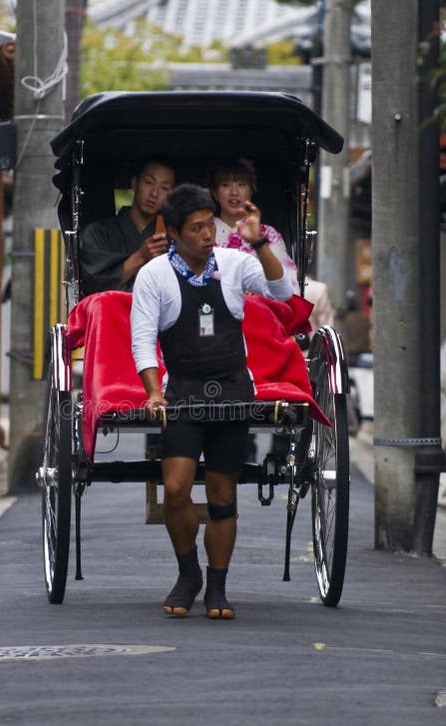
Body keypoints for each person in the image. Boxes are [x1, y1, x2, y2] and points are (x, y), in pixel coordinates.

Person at [131, 184, 293, 620]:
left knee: (222, 494)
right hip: (183, 392)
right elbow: (143, 340)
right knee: (176, 489)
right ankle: (189, 573)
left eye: (209, 226)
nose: (208, 235)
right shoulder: (154, 275)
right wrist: (153, 391)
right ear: (174, 232)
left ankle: (217, 585)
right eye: (196, 229)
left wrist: (259, 243)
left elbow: (282, 291)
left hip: (232, 391)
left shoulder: (235, 263)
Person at [79, 157, 176, 295]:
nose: (154, 194)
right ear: (134, 183)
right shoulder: (98, 232)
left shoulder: (173, 239)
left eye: (164, 188)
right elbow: (92, 286)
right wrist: (141, 256)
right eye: (149, 182)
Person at [208, 158, 299, 291]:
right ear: (215, 193)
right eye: (226, 185)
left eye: (241, 184)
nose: (234, 192)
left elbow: (288, 284)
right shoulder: (204, 231)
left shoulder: (268, 234)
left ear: (251, 191)